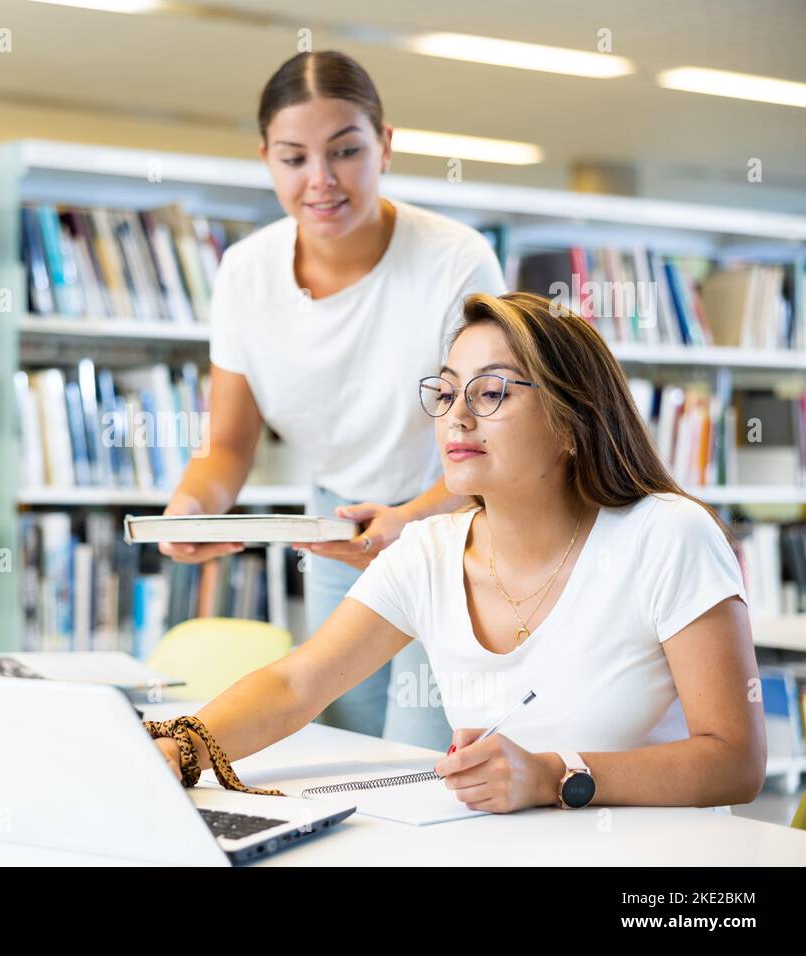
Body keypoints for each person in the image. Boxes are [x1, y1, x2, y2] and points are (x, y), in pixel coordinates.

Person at [152, 292, 765, 813]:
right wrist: (178, 746)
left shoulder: (668, 536)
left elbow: (736, 761)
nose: (457, 418)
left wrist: (553, 776)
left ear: (571, 420)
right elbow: (295, 685)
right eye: (445, 394)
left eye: (491, 392)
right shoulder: (428, 554)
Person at [161, 50, 505, 747]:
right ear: (265, 158)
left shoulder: (455, 260)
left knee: (418, 750)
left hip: (451, 521)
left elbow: (494, 439)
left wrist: (412, 517)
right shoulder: (245, 272)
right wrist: (192, 508)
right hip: (338, 523)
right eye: (293, 159)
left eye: (345, 151)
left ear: (385, 144)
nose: (320, 182)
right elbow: (227, 445)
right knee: (337, 738)